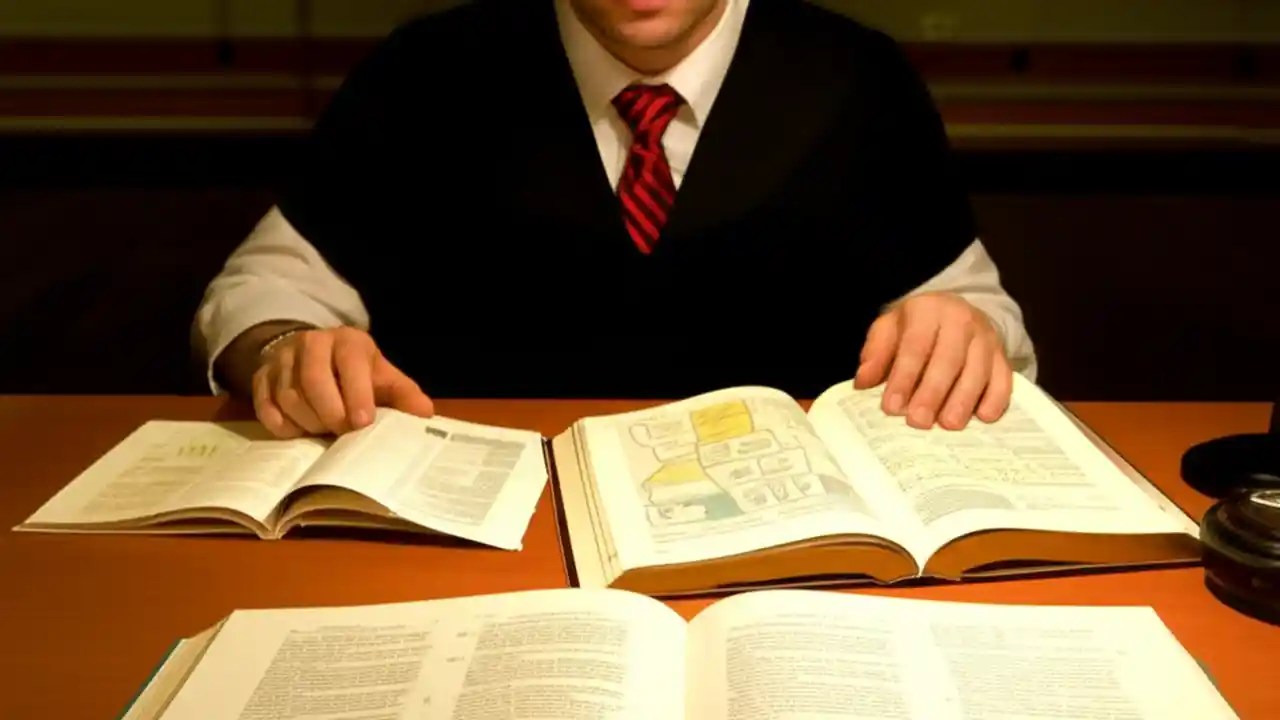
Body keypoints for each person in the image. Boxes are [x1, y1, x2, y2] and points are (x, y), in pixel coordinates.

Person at [192, 0, 1037, 440]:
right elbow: (263, 289)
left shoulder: (858, 77)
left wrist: (964, 330)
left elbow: (989, 324)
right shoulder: (428, 71)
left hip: (797, 569)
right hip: (484, 552)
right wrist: (280, 352)